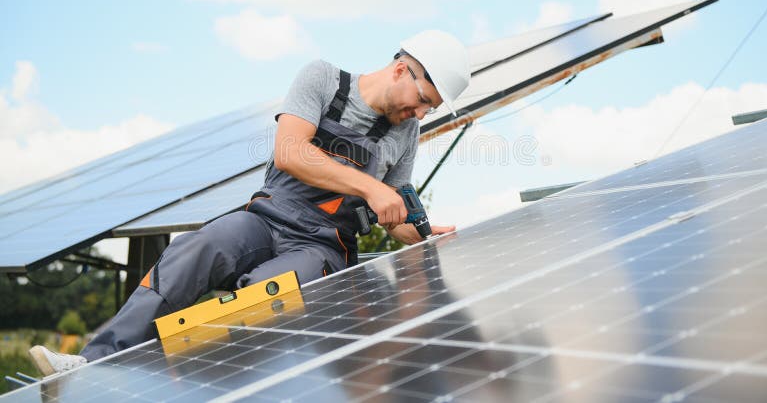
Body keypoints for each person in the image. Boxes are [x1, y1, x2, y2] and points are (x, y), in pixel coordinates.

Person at [29, 30, 471, 376]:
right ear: (401, 71)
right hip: (264, 220)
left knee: (267, 294)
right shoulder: (322, 78)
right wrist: (371, 187)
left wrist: (424, 235)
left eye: (428, 110)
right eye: (423, 102)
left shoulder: (404, 135)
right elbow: (291, 151)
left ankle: (171, 380)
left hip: (322, 247)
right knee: (194, 250)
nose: (420, 115)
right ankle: (93, 364)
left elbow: (395, 212)